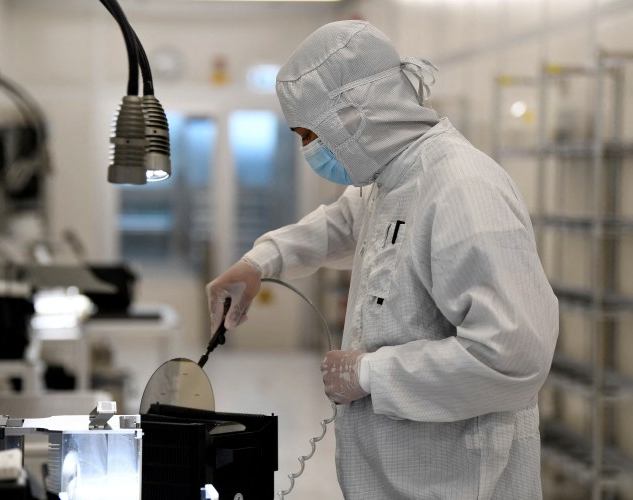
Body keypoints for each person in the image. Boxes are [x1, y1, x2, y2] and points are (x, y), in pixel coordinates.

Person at [205, 20, 558, 500]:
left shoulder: (461, 188)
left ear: (351, 115)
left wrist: (369, 374)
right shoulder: (392, 179)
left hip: (460, 479)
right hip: (403, 479)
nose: (309, 150)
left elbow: (513, 355)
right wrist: (261, 261)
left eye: (310, 134)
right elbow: (344, 224)